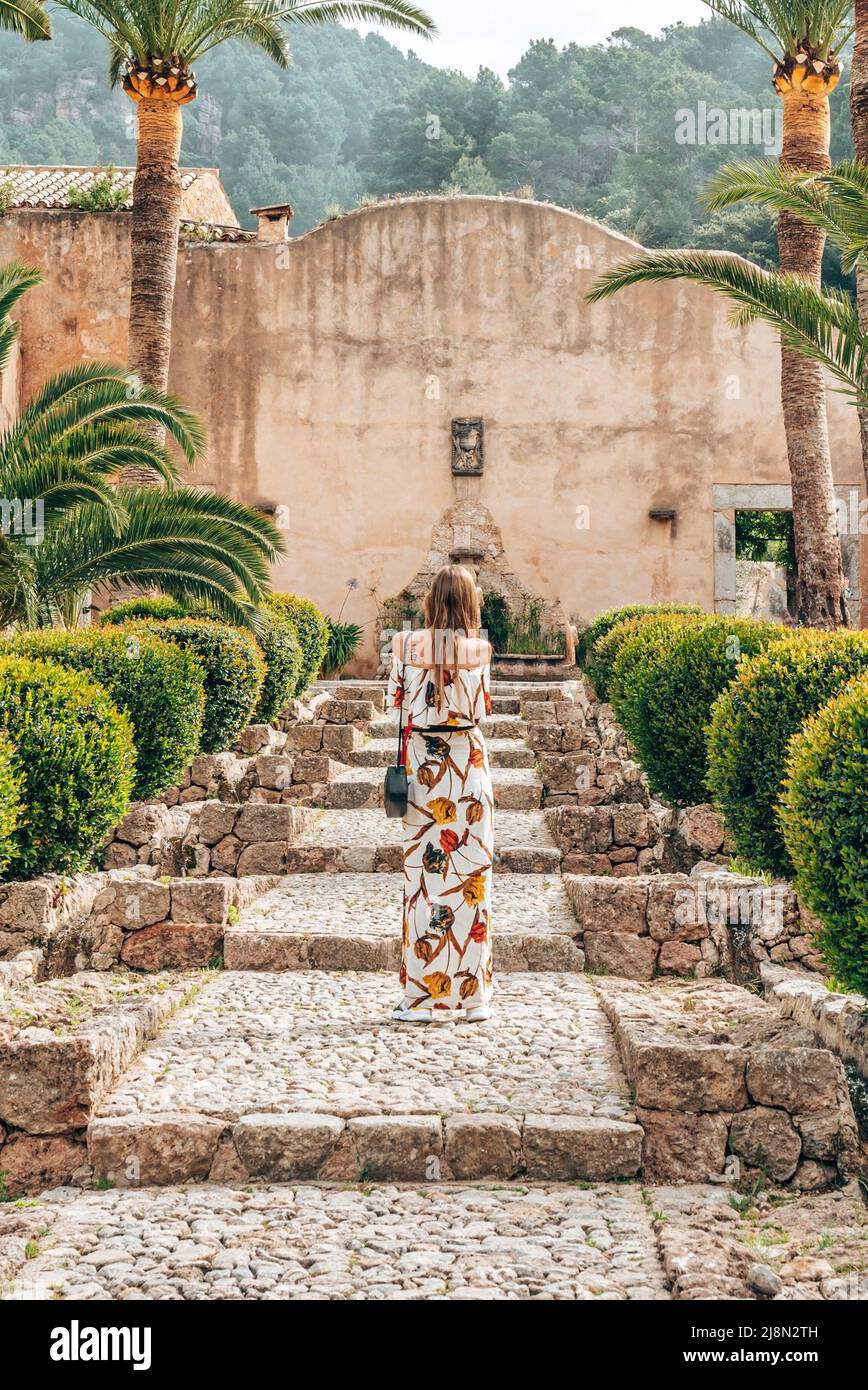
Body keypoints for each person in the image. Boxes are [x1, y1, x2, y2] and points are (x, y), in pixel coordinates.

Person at [387, 565, 494, 1023]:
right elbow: (482, 709)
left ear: (431, 600)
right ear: (471, 602)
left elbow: (394, 704)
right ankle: (474, 999)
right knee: (472, 883)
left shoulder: (403, 645)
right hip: (466, 770)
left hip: (424, 772)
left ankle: (419, 999)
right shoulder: (481, 649)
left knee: (422, 886)